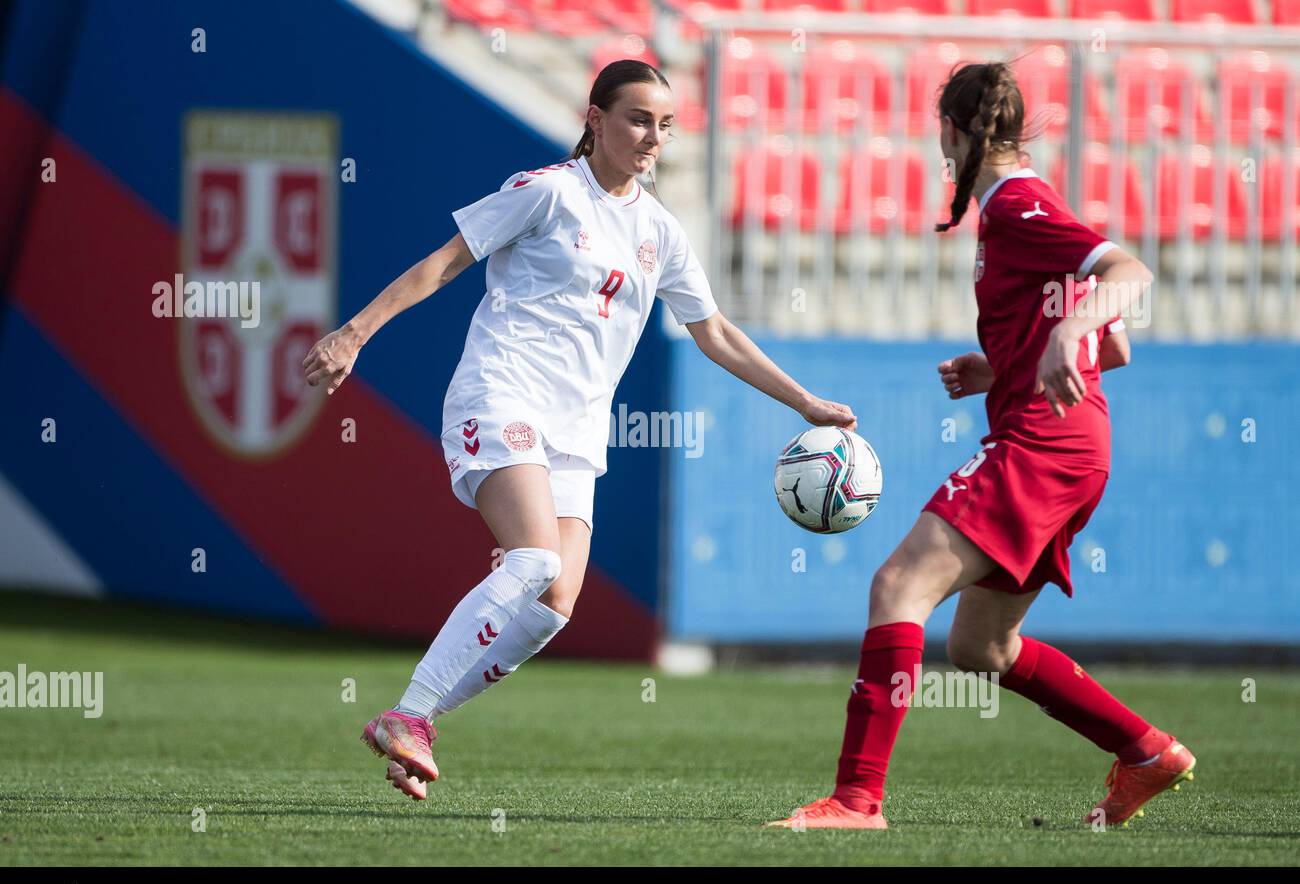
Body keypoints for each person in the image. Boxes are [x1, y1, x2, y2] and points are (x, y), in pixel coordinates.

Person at [302, 60, 856, 801]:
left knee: (554, 606)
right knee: (531, 561)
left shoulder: (659, 230)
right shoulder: (549, 191)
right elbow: (444, 263)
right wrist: (354, 333)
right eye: (636, 119)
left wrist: (804, 402)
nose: (651, 137)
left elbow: (714, 331)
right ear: (595, 120)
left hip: (577, 431)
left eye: (664, 125)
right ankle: (409, 716)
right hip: (501, 395)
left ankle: (416, 719)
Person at [767, 61, 1193, 831]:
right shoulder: (1028, 206)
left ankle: (857, 801)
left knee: (898, 586)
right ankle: (1146, 751)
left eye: (941, 132)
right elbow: (1117, 351)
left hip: (1045, 442)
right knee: (982, 647)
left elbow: (1133, 271)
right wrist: (1003, 363)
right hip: (1074, 442)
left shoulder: (1020, 205)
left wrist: (1064, 332)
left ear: (954, 132)